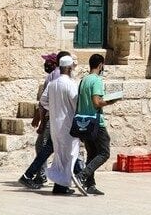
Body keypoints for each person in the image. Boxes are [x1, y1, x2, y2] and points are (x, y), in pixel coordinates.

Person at [39, 53, 83, 195]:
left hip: (55, 125)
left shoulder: (52, 84)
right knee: (70, 154)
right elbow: (77, 104)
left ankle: (60, 185)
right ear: (70, 68)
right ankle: (63, 185)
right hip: (68, 124)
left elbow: (43, 101)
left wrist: (54, 108)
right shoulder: (70, 84)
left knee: (59, 154)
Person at [76, 53, 119, 196]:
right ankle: (82, 175)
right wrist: (112, 100)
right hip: (96, 123)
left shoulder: (83, 80)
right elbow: (97, 102)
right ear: (101, 65)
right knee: (104, 153)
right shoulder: (97, 80)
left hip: (84, 122)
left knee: (92, 154)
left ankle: (90, 185)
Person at [18, 51, 61, 189]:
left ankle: (40, 175)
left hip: (50, 117)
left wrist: (41, 120)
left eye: (47, 62)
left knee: (44, 147)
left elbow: (45, 100)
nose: (45, 64)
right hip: (54, 117)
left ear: (54, 63)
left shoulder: (53, 77)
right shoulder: (59, 76)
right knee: (46, 147)